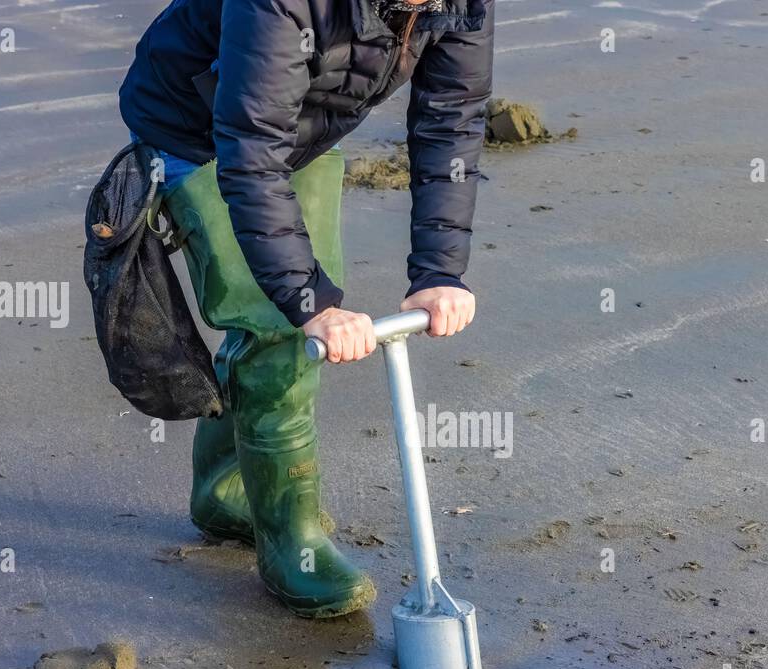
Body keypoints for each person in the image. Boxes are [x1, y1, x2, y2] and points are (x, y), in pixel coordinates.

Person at [118, 0, 493, 618]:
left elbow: (452, 116)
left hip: (303, 133)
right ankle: (293, 545)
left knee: (274, 318)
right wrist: (310, 303)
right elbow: (250, 150)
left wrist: (439, 271)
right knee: (283, 329)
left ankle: (223, 491)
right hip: (200, 129)